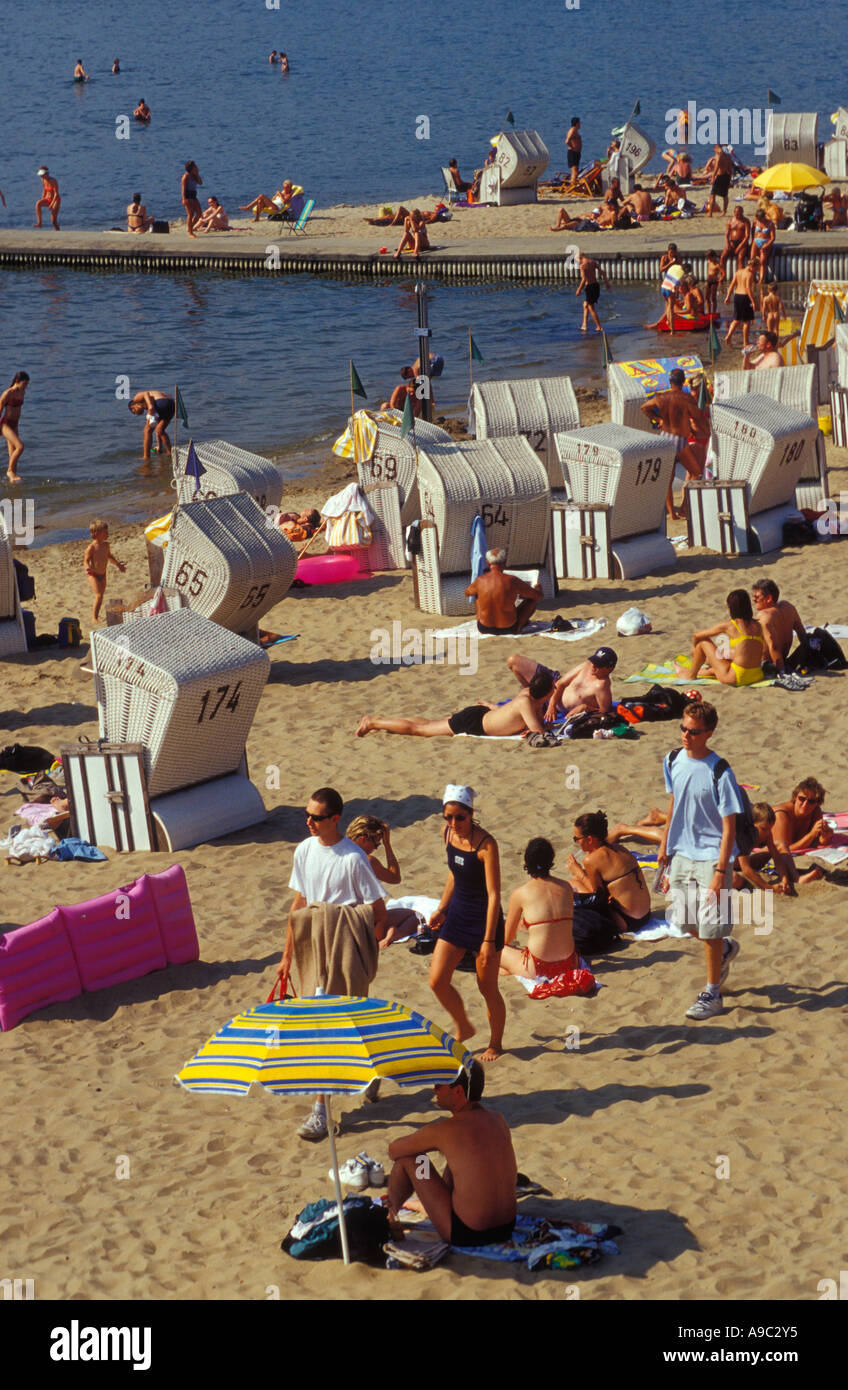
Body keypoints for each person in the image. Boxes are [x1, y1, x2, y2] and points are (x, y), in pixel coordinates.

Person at [276, 787, 387, 1140]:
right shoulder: (305, 850)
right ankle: (323, 1109)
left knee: (343, 1022)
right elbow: (299, 902)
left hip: (344, 947)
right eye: (307, 815)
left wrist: (352, 936)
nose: (309, 822)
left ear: (335, 819)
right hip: (313, 949)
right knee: (321, 1028)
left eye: (317, 817)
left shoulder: (353, 859)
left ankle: (326, 1106)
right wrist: (286, 955)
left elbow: (378, 910)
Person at [657, 701, 743, 1020]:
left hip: (711, 856)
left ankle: (712, 993)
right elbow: (674, 802)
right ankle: (725, 948)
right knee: (683, 920)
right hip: (681, 852)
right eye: (683, 728)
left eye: (693, 731)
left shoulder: (720, 770)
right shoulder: (672, 759)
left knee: (709, 928)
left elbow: (729, 825)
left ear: (709, 733)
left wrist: (721, 870)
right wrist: (665, 845)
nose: (686, 736)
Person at [385, 1060, 516, 1246]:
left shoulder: (445, 1130)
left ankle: (389, 1216)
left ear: (458, 1092)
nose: (434, 1090)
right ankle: (431, 1206)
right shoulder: (498, 1119)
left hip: (468, 1232)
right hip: (506, 1227)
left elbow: (393, 1150)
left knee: (410, 1158)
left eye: (439, 1085)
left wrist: (426, 1142)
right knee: (460, 1159)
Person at [427, 786, 506, 1062]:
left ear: (471, 814)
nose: (453, 823)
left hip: (485, 920)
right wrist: (441, 908)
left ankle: (495, 1044)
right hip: (458, 914)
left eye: (459, 817)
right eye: (447, 817)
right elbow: (453, 875)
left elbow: (495, 894)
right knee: (437, 980)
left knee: (487, 988)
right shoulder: (448, 834)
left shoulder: (486, 845)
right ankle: (465, 1026)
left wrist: (487, 941)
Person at [354, 667, 556, 741]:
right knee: (420, 730)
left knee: (428, 723)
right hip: (474, 723)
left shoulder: (528, 695)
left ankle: (382, 721)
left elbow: (513, 715)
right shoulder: (527, 702)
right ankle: (373, 723)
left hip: (481, 716)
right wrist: (540, 727)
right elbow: (538, 731)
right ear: (547, 693)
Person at [499, 837, 579, 983]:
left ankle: (508, 969)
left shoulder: (520, 893)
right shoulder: (566, 887)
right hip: (570, 963)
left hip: (537, 967)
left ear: (526, 862)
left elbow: (507, 939)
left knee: (492, 950)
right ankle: (508, 969)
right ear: (551, 861)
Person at [567, 811, 652, 933]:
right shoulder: (620, 848)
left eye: (576, 839)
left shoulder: (591, 860)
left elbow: (597, 897)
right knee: (578, 880)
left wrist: (578, 872)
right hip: (645, 914)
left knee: (573, 884)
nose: (576, 842)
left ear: (590, 839)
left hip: (628, 921)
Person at [640, 367, 709, 517]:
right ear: (683, 382)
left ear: (670, 381)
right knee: (696, 472)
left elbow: (644, 407)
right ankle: (684, 508)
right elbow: (697, 416)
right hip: (680, 440)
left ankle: (672, 513)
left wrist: (658, 419)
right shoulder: (686, 399)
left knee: (668, 479)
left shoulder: (662, 397)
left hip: (665, 437)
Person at [346, 814, 419, 948]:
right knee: (415, 916)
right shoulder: (366, 860)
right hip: (365, 926)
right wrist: (387, 845)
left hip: (339, 921)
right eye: (376, 844)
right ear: (363, 839)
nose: (375, 849)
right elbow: (395, 877)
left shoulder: (336, 852)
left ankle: (390, 932)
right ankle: (392, 936)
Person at [677, 588, 765, 686]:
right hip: (756, 675)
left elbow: (697, 635)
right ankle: (694, 670)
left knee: (703, 642)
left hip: (737, 677)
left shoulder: (731, 625)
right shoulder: (758, 625)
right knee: (720, 660)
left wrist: (694, 650)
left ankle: (690, 675)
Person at [506, 647, 617, 722]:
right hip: (552, 686)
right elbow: (561, 683)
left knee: (512, 711)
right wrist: (551, 705)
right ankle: (533, 698)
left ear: (610, 668)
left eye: (598, 665)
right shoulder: (587, 665)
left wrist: (585, 707)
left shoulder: (602, 685)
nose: (593, 666)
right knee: (513, 661)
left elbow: (605, 711)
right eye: (594, 662)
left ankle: (533, 702)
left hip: (554, 705)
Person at [465, 547, 541, 635]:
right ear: (505, 562)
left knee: (477, 595)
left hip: (484, 628)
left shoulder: (480, 580)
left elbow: (467, 592)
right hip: (509, 628)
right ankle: (521, 624)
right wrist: (537, 589)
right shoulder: (512, 580)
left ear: (487, 563)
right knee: (534, 599)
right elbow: (538, 596)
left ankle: (483, 618)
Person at [773, 778, 832, 885]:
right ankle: (797, 878)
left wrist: (823, 839)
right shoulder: (781, 815)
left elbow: (815, 841)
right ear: (795, 797)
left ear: (817, 803)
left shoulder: (815, 811)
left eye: (811, 801)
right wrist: (811, 835)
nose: (805, 804)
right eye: (802, 799)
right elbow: (784, 849)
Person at [751, 577, 806, 673]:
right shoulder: (788, 607)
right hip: (783, 659)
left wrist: (781, 671)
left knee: (725, 654)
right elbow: (801, 633)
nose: (753, 599)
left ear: (768, 598)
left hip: (768, 665)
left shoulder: (764, 616)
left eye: (757, 597)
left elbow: (774, 646)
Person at [83, 520, 126, 623]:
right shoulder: (92, 547)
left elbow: (109, 556)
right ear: (96, 533)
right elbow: (85, 560)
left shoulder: (106, 545)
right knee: (98, 595)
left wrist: (118, 565)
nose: (107, 534)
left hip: (103, 574)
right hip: (93, 574)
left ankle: (97, 615)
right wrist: (87, 567)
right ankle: (94, 617)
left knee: (101, 596)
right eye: (105, 532)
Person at [127, 389, 174, 461]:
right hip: (171, 404)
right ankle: (169, 453)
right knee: (160, 430)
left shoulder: (136, 399)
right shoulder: (152, 404)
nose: (137, 414)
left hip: (160, 402)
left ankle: (146, 457)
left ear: (133, 406)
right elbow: (157, 430)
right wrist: (159, 446)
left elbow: (145, 393)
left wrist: (150, 406)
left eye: (134, 412)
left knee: (147, 430)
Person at [0, 370, 29, 482]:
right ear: (17, 381)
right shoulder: (8, 393)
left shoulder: (22, 393)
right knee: (20, 447)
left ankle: (13, 481)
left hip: (15, 425)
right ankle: (9, 471)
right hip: (5, 424)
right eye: (24, 384)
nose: (26, 386)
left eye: (27, 384)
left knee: (13, 455)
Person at [724, 259, 757, 349]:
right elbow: (748, 289)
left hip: (737, 296)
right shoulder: (749, 275)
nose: (756, 270)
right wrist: (753, 301)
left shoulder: (738, 272)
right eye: (756, 268)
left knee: (736, 319)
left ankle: (729, 336)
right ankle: (745, 342)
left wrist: (728, 296)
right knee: (747, 321)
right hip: (745, 297)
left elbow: (732, 284)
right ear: (752, 266)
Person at [575, 251, 610, 333]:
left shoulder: (583, 266)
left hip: (590, 288)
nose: (578, 262)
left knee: (591, 307)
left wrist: (579, 289)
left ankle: (599, 327)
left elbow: (583, 280)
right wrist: (607, 283)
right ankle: (584, 325)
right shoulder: (592, 262)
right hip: (596, 286)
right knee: (585, 304)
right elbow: (603, 272)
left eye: (577, 261)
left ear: (580, 258)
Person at [719, 205, 751, 274]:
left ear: (742, 212)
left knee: (740, 257)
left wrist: (740, 247)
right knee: (722, 257)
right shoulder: (730, 220)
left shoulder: (746, 221)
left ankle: (740, 275)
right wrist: (727, 244)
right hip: (732, 242)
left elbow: (747, 236)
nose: (737, 215)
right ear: (734, 212)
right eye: (736, 213)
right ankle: (722, 274)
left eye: (739, 213)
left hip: (742, 243)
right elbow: (727, 234)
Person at [704, 145, 733, 217]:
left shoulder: (719, 156)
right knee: (725, 195)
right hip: (726, 176)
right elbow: (730, 169)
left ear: (716, 149)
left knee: (712, 195)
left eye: (714, 149)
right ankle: (724, 212)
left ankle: (710, 213)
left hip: (719, 176)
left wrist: (713, 177)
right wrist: (730, 179)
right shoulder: (728, 156)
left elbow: (716, 167)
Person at [749, 210, 775, 284]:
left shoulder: (770, 224)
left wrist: (767, 245)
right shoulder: (755, 221)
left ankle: (761, 280)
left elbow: (773, 238)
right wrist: (752, 239)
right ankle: (753, 279)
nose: (759, 220)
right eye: (758, 219)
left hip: (765, 241)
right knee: (752, 260)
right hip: (756, 241)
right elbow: (753, 230)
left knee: (762, 261)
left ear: (764, 217)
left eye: (760, 219)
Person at [181, 160, 203, 237]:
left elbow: (200, 183)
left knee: (199, 213)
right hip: (188, 196)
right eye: (195, 167)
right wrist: (184, 199)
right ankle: (190, 232)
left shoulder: (194, 175)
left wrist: (197, 174)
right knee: (190, 214)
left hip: (194, 196)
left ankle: (190, 227)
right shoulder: (185, 176)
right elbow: (183, 188)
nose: (196, 167)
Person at [565, 117, 582, 187]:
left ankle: (574, 185)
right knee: (574, 171)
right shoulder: (572, 131)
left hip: (576, 153)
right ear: (577, 123)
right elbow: (567, 141)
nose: (580, 124)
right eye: (579, 123)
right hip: (573, 153)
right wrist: (572, 147)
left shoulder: (575, 131)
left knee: (576, 171)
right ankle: (572, 186)